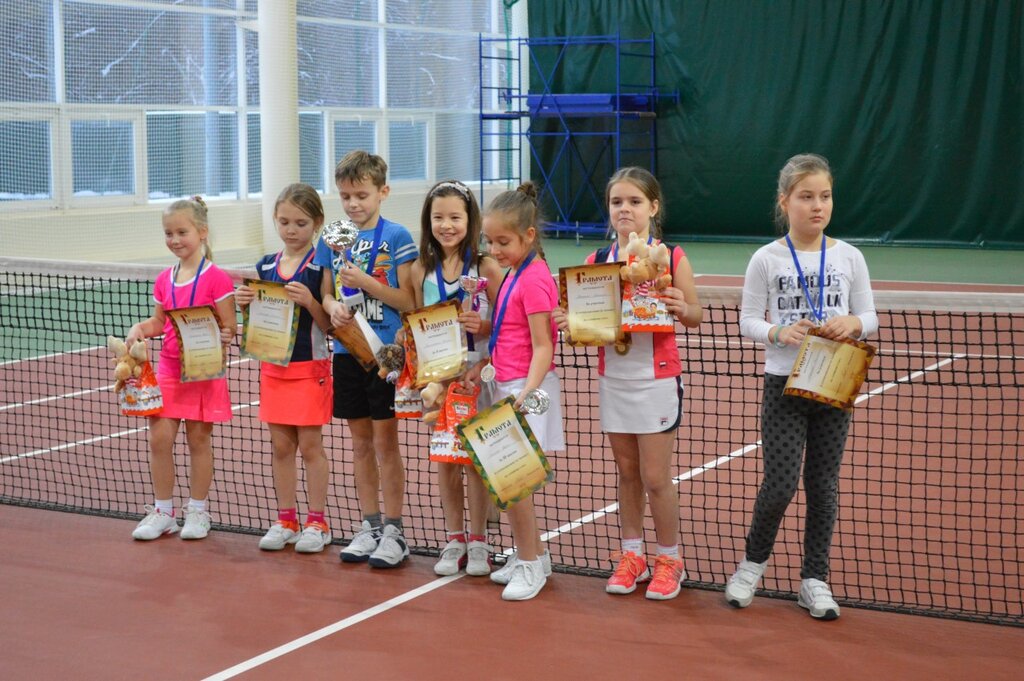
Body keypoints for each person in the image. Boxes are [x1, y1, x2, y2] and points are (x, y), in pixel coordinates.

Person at [726, 153, 877, 620]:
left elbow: (869, 316)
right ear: (784, 201)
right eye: (806, 196)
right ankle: (751, 566)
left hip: (835, 384)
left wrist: (852, 321)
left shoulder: (850, 256)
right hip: (784, 386)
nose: (817, 206)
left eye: (825, 196)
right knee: (780, 483)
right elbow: (747, 319)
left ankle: (814, 579)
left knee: (824, 484)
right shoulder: (766, 258)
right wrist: (777, 332)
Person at [552, 167, 703, 600]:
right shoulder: (598, 265)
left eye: (635, 202)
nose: (625, 209)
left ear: (653, 208)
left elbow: (695, 314)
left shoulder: (671, 257)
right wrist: (570, 322)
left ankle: (670, 558)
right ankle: (632, 553)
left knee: (656, 477)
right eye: (617, 201)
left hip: (656, 381)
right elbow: (587, 326)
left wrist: (679, 305)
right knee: (627, 473)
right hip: (612, 378)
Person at [315, 151, 417, 568]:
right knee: (359, 446)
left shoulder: (397, 236)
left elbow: (409, 300)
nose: (353, 204)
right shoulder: (333, 235)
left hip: (387, 355)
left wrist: (368, 283)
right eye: (345, 196)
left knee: (385, 444)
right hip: (347, 351)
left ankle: (394, 530)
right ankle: (369, 525)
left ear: (382, 192)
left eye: (361, 195)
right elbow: (326, 291)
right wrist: (332, 306)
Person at [470, 182, 565, 601]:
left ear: (528, 235)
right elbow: (507, 332)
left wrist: (527, 392)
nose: (495, 249)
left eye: (503, 241)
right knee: (506, 481)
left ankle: (529, 564)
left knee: (515, 482)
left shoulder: (535, 279)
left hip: (526, 389)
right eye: (489, 241)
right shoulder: (512, 273)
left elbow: (543, 344)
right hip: (504, 384)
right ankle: (534, 556)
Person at [126, 196, 236, 541]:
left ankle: (198, 511)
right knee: (159, 439)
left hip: (204, 371)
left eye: (181, 232)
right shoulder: (164, 280)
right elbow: (160, 322)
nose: (175, 240)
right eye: (168, 233)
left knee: (199, 440)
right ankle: (163, 511)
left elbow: (230, 327)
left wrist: (225, 334)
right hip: (170, 370)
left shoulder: (217, 279)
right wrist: (139, 330)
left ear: (201, 232)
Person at [409, 180, 503, 577]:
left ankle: (480, 541)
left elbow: (504, 326)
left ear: (471, 220)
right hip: (438, 382)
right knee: (446, 461)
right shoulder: (420, 270)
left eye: (455, 217)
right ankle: (454, 539)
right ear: (428, 221)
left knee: (476, 461)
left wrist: (481, 328)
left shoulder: (486, 267)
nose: (446, 225)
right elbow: (417, 323)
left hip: (476, 377)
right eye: (438, 218)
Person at [235, 183, 334, 553]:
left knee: (310, 446)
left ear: (317, 223)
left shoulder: (320, 268)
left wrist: (310, 301)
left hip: (310, 366)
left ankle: (318, 522)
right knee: (280, 446)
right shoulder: (264, 266)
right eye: (284, 222)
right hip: (273, 368)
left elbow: (329, 325)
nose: (291, 230)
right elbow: (258, 323)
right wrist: (245, 303)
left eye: (300, 223)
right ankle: (286, 519)